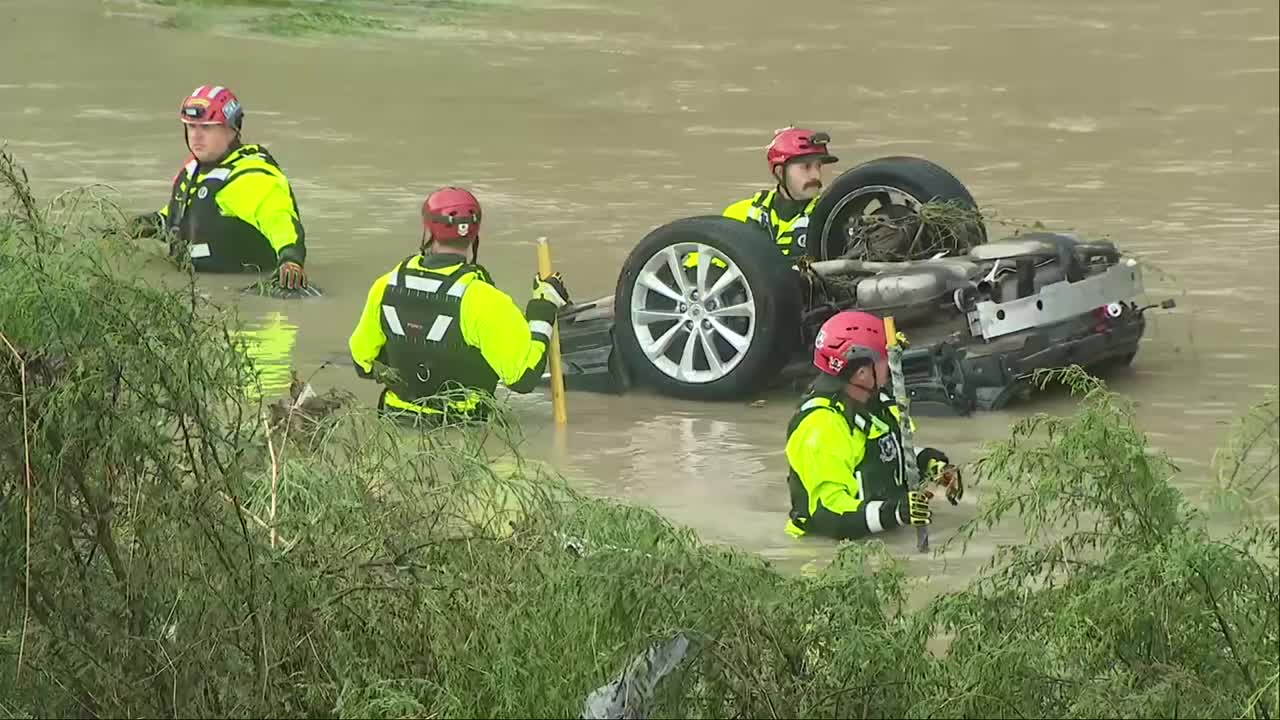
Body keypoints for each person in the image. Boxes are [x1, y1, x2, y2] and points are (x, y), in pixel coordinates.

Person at [347, 187, 571, 423]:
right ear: (474, 233)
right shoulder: (485, 299)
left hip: (396, 423)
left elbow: (363, 362)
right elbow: (523, 378)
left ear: (427, 230)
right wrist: (543, 308)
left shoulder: (385, 286)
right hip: (462, 427)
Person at [784, 310, 964, 540]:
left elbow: (885, 455)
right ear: (861, 373)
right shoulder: (820, 427)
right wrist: (894, 514)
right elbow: (828, 513)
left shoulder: (874, 402)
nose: (891, 366)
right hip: (830, 548)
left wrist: (932, 466)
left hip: (878, 535)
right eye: (885, 359)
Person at [129, 85, 311, 290]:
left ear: (232, 129)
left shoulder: (252, 177)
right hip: (193, 289)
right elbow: (182, 217)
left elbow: (279, 219)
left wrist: (291, 259)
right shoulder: (193, 171)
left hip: (241, 295)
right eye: (191, 127)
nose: (196, 136)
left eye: (207, 128)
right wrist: (148, 224)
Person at [723, 126, 839, 258]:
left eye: (818, 166)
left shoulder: (832, 217)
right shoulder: (738, 214)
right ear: (779, 172)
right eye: (806, 167)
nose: (816, 175)